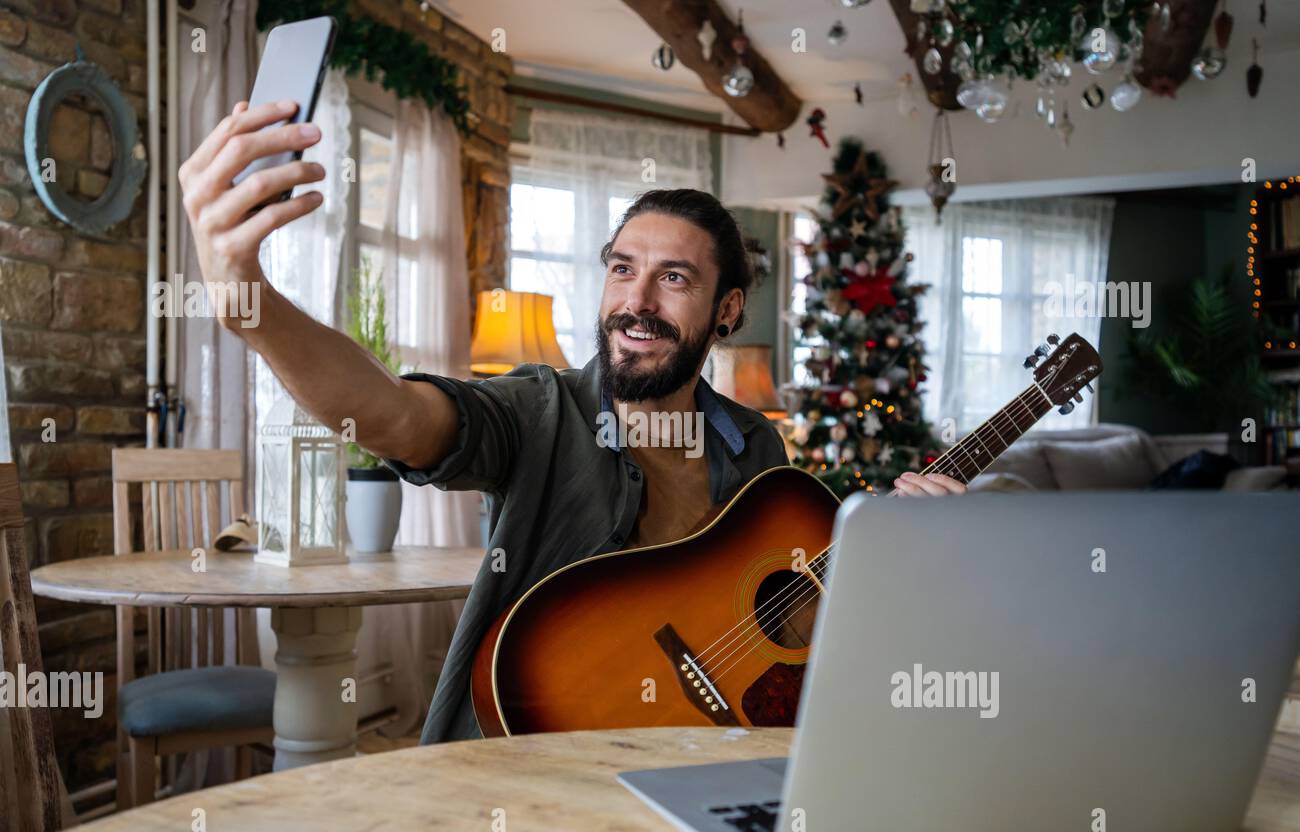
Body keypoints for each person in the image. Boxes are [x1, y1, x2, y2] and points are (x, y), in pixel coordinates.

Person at [179, 100, 966, 743]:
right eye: (622, 269)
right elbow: (393, 416)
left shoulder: (755, 447)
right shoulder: (539, 411)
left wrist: (895, 559)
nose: (636, 302)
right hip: (525, 761)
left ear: (728, 310)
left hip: (696, 764)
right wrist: (250, 307)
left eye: (674, 279)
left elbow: (788, 632)